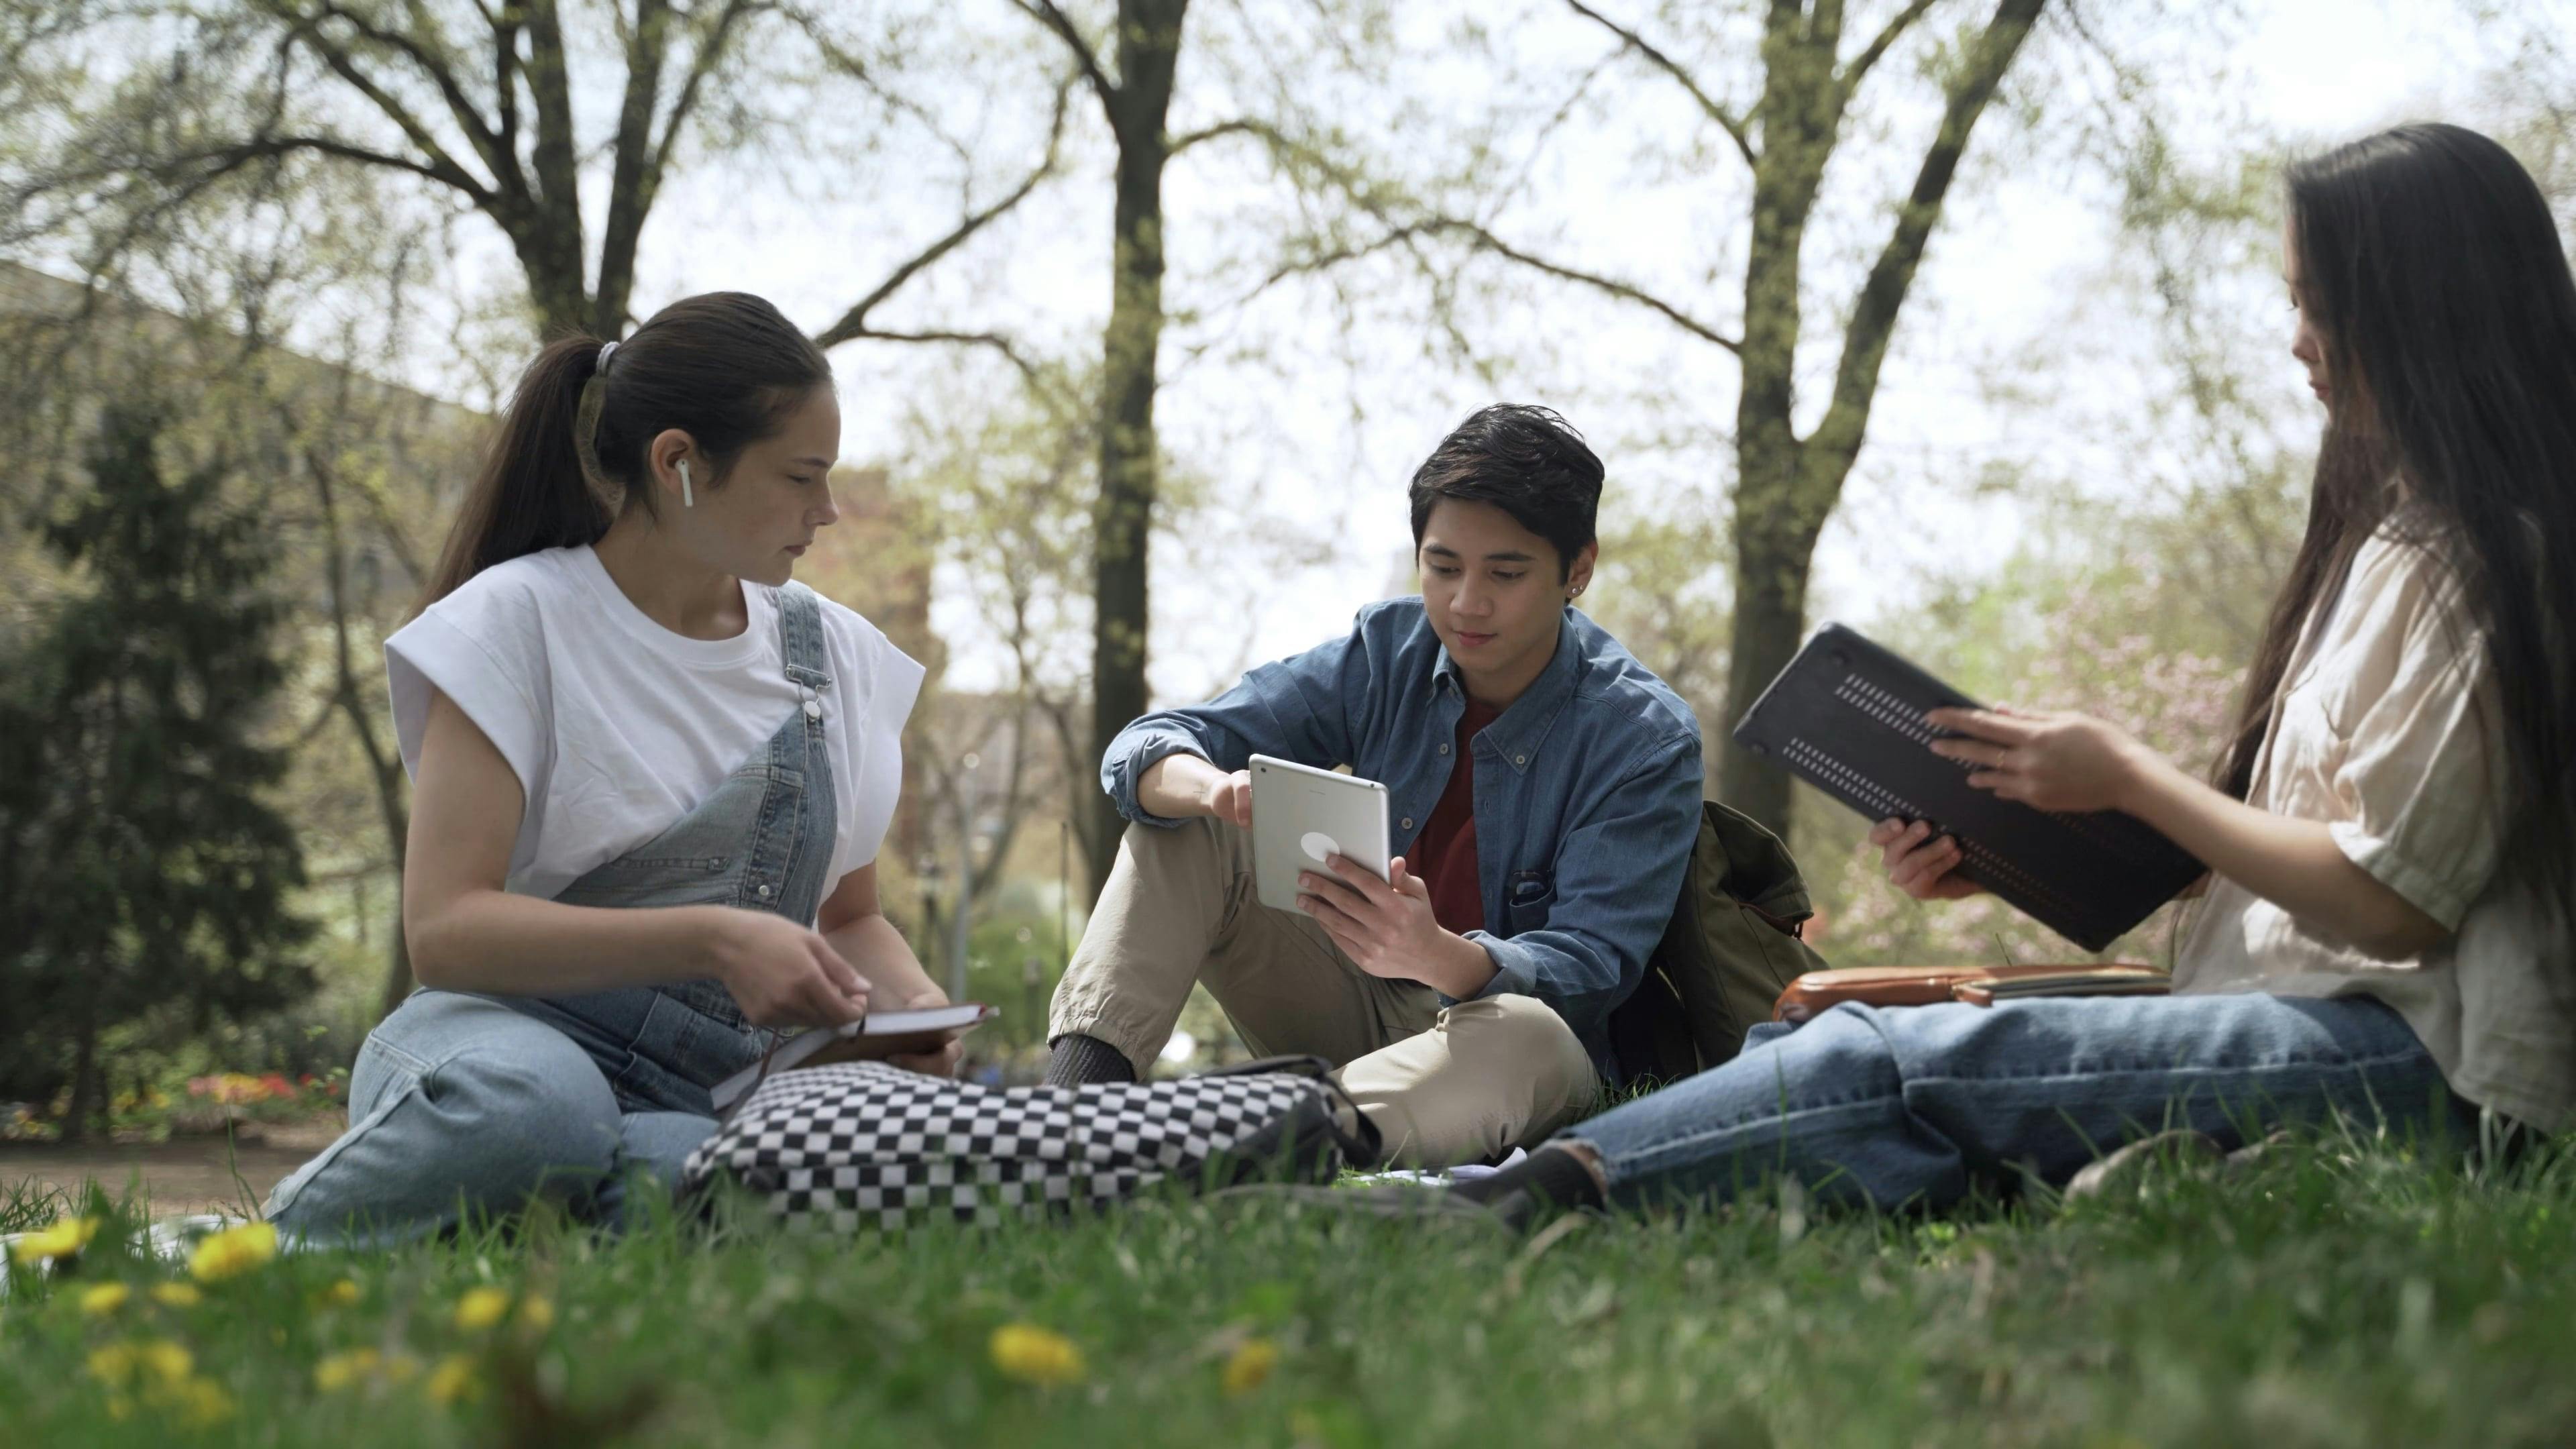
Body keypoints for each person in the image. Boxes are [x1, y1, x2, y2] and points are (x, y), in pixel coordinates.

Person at [1366, 122, 2576, 1226]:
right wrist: (2013, 845)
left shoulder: (2484, 563)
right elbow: (2303, 874)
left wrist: (2137, 775)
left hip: (2418, 1061)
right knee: (1843, 1039)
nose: (2297, 339)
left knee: (1896, 1068)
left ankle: (1505, 1207)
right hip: (2306, 1020)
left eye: (2320, 304)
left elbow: (2393, 904)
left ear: (2423, 308)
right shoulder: (2384, 551)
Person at [264, 293, 953, 1243]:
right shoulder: (514, 625)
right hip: (496, 1049)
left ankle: (503, 1252)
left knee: (712, 1185)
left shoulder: (837, 659)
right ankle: (237, 1259)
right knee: (536, 1122)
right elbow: (445, 931)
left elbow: (853, 917)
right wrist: (711, 938)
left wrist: (915, 1012)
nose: (826, 512)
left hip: (713, 1087)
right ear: (678, 463)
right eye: (801, 477)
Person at [1044, 405, 1705, 1167]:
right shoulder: (1387, 650)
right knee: (1185, 818)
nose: (1466, 604)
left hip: (1501, 1057)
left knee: (1530, 1034)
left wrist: (1436, 954)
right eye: (1443, 566)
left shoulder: (1643, 736)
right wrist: (1212, 792)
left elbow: (1590, 971)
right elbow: (1148, 745)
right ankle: (1071, 1125)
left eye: (1507, 573)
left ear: (1578, 569)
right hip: (1349, 1004)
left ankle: (1224, 1152)